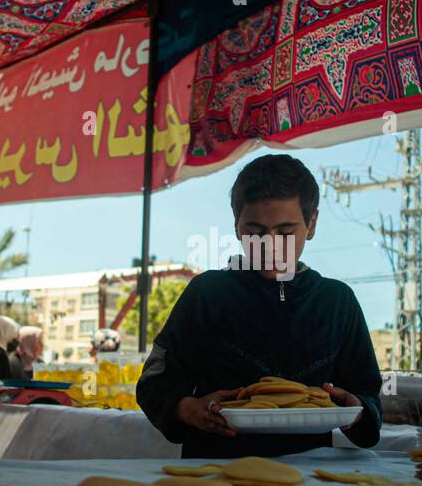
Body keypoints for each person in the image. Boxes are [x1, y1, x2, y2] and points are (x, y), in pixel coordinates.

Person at [137, 153, 382, 459]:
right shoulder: (207, 294)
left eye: (285, 232)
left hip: (312, 482)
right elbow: (154, 382)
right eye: (255, 232)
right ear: (237, 225)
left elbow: (369, 395)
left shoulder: (337, 303)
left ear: (312, 224)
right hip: (212, 478)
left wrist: (358, 411)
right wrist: (187, 409)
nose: (269, 245)